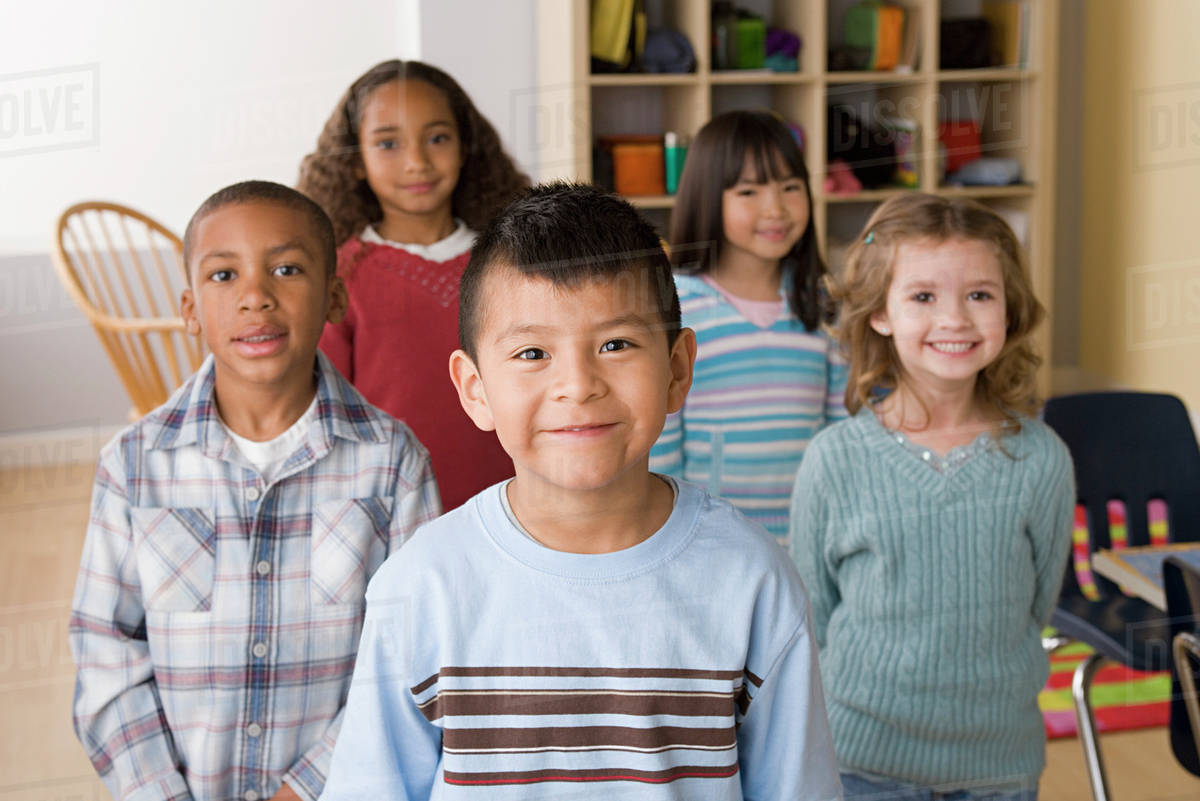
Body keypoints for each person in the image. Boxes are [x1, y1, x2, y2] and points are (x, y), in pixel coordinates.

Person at [319, 183, 843, 801]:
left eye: (615, 344)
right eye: (533, 352)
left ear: (677, 368)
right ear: (475, 388)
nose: (578, 385)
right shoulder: (420, 588)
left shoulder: (753, 580)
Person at [68, 181, 442, 801]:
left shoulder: (394, 464)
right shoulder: (133, 467)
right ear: (190, 308)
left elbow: (408, 662)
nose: (255, 297)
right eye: (223, 276)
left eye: (287, 269)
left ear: (333, 296)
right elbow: (106, 657)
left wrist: (304, 792)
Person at [789, 193, 1074, 799]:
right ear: (879, 313)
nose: (955, 319)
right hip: (861, 759)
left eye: (979, 294)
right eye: (923, 296)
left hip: (999, 762)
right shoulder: (833, 460)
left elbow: (1037, 605)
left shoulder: (1041, 457)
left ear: (1009, 309)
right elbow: (815, 616)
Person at [297, 60, 530, 509]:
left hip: (514, 506)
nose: (417, 162)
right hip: (387, 508)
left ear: (466, 147)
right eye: (388, 143)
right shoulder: (337, 274)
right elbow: (324, 414)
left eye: (437, 138)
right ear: (356, 160)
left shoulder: (514, 260)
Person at [650, 110, 845, 545]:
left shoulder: (824, 304)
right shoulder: (676, 307)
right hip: (710, 545)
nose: (776, 208)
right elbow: (660, 442)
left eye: (791, 187)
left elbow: (841, 435)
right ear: (706, 197)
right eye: (749, 191)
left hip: (810, 544)